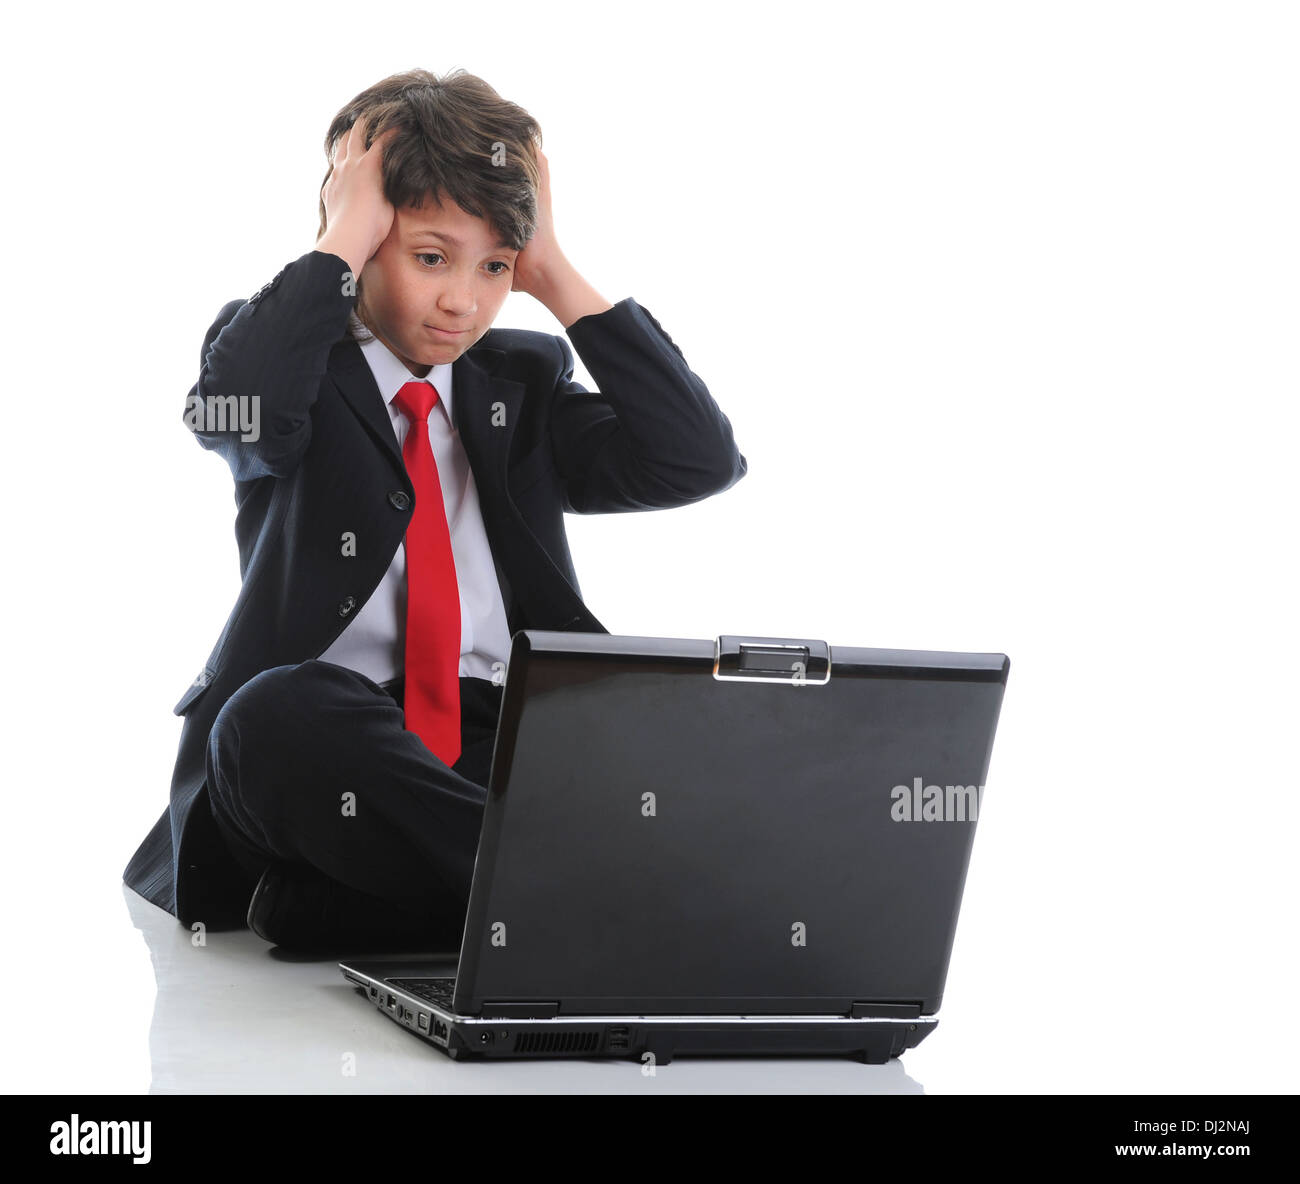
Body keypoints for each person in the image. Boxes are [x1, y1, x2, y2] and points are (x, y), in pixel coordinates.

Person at [122, 68, 747, 951]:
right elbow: (246, 417)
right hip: (339, 749)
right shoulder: (293, 368)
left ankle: (384, 905)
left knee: (676, 739)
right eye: (429, 257)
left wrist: (556, 273)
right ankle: (599, 905)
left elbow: (695, 460)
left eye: (494, 266)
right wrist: (339, 242)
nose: (465, 300)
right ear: (367, 234)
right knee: (272, 715)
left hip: (495, 744)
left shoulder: (519, 382)